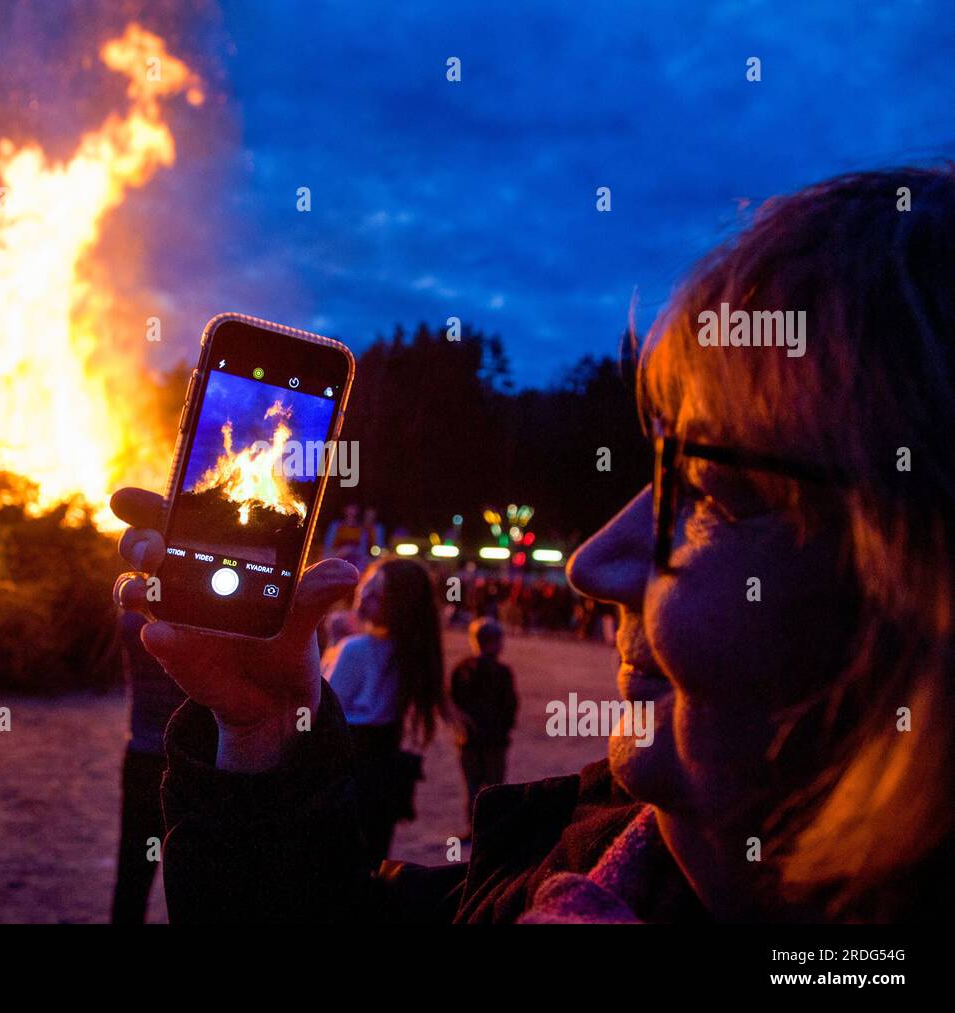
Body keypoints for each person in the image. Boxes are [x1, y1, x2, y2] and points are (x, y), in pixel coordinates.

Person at [111, 166, 954, 923]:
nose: (593, 563)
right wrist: (263, 733)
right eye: (654, 472)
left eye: (713, 492)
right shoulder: (565, 864)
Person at [322, 557, 443, 868]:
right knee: (370, 859)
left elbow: (324, 705)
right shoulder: (408, 650)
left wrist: (334, 649)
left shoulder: (356, 649)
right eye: (366, 587)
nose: (364, 597)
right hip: (383, 770)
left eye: (378, 594)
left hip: (346, 762)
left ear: (398, 605)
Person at [109, 609, 187, 924]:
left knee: (133, 865)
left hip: (141, 754)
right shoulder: (195, 625)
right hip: (185, 759)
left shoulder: (132, 620)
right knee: (188, 868)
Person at [449, 618, 517, 835]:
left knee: (471, 786)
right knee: (494, 787)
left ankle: (473, 827)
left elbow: (452, 702)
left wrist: (461, 727)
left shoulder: (461, 668)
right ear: (492, 642)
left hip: (468, 739)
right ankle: (493, 829)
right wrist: (505, 728)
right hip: (494, 741)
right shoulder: (502, 672)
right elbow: (510, 706)